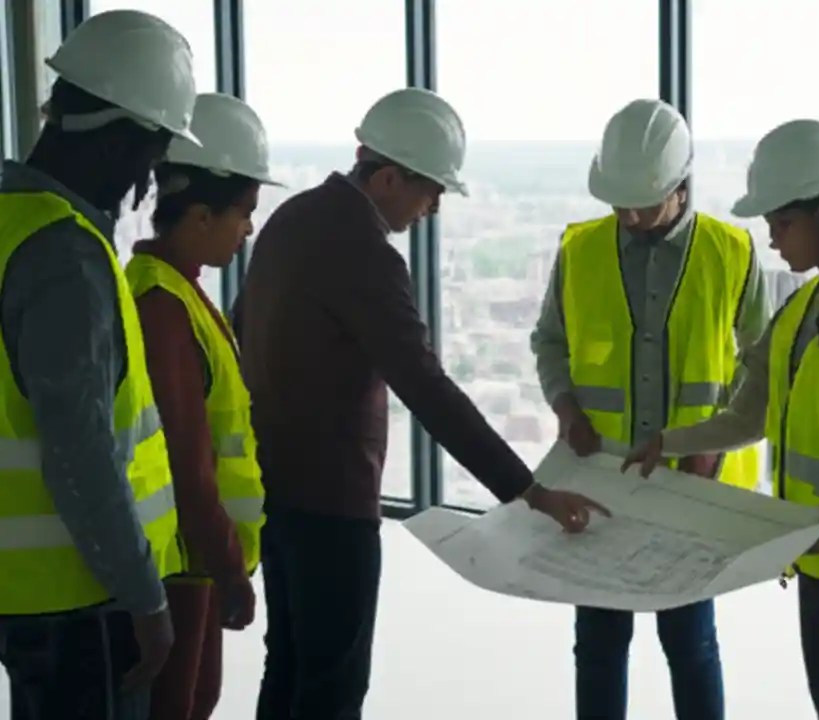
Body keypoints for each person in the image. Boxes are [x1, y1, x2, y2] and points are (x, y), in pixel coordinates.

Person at [232, 86, 607, 720]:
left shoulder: (290, 219)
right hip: (332, 504)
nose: (434, 207)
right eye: (430, 189)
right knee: (333, 686)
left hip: (272, 489)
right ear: (384, 178)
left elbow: (240, 332)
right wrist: (530, 490)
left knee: (291, 664)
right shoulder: (366, 254)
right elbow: (427, 388)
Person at [622, 119, 819, 720]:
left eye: (782, 223)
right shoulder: (799, 310)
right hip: (812, 558)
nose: (772, 241)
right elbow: (749, 415)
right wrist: (667, 441)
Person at [530, 98, 771, 720]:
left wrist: (711, 445)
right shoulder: (580, 249)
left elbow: (763, 367)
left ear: (682, 185)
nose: (630, 216)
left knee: (690, 642)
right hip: (602, 481)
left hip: (695, 487)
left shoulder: (734, 253)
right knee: (600, 644)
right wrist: (565, 407)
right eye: (620, 203)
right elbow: (549, 341)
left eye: (645, 202)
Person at [0, 9, 201, 719]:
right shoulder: (64, 252)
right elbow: (78, 446)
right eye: (151, 157)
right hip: (77, 597)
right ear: (120, 140)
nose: (149, 181)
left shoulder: (9, 222)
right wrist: (146, 597)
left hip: (24, 593)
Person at [123, 93, 278, 720]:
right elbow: (190, 460)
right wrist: (228, 568)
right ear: (202, 216)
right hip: (183, 564)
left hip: (191, 560)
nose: (248, 230)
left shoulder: (175, 291)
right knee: (179, 707)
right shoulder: (163, 304)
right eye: (244, 214)